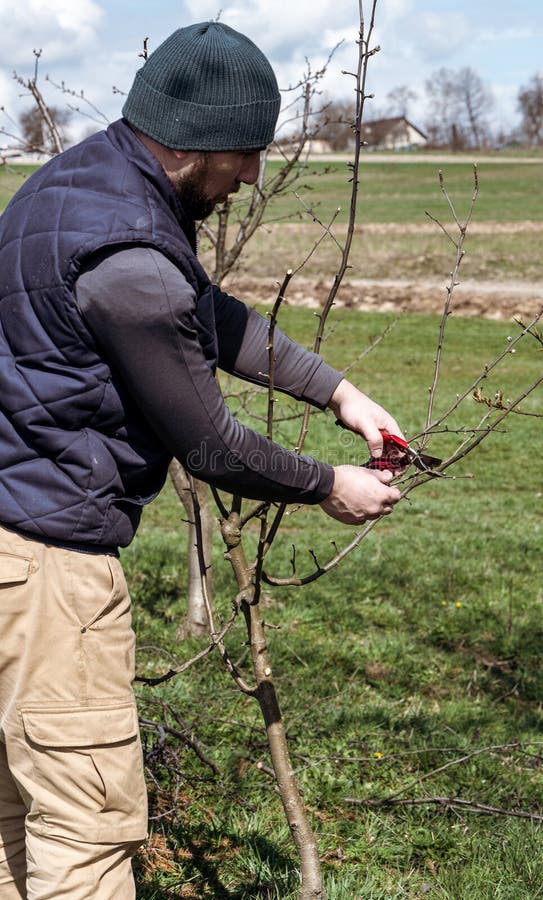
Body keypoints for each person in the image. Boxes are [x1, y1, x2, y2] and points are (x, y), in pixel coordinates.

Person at [0, 21, 403, 898]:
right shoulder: (133, 261)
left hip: (7, 547)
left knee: (16, 824)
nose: (253, 174)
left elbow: (208, 315)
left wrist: (338, 393)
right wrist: (330, 485)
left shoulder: (73, 187)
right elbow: (212, 444)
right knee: (83, 831)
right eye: (246, 154)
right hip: (51, 576)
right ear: (193, 149)